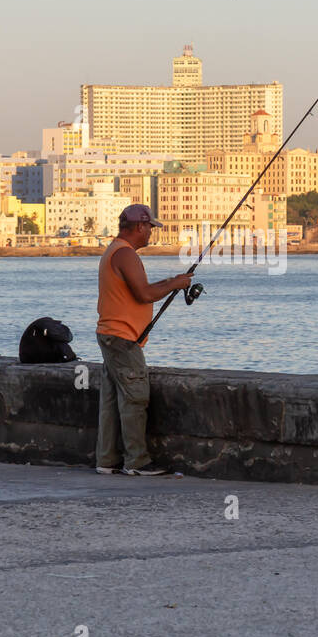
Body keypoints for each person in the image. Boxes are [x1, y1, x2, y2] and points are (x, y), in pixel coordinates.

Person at [95, 204, 192, 476]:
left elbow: (144, 290)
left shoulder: (114, 250)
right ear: (139, 227)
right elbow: (144, 294)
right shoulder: (125, 254)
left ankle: (106, 460)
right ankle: (137, 462)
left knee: (112, 400)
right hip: (122, 338)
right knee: (135, 398)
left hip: (111, 334)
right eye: (150, 227)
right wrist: (176, 283)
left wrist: (174, 280)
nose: (151, 232)